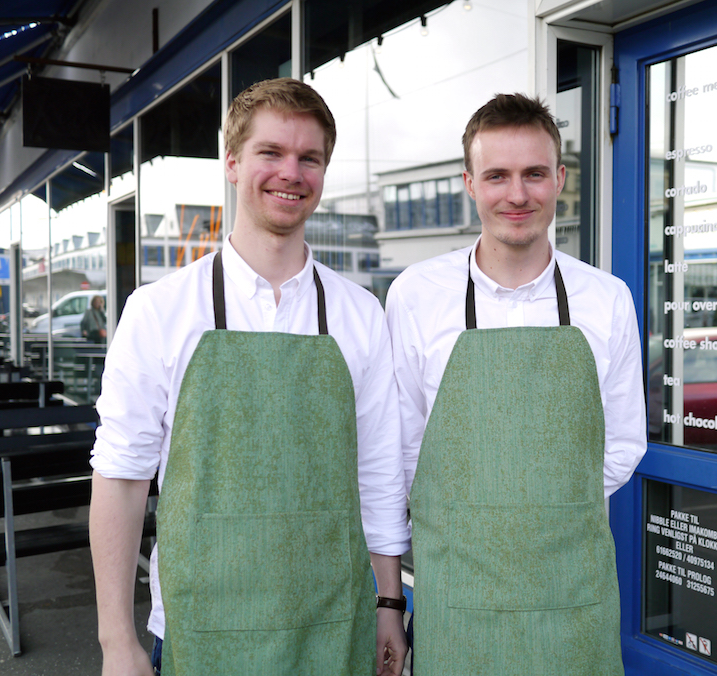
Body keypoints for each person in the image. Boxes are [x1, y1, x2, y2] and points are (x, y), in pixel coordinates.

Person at [89, 78, 410, 676]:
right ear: (233, 162)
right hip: (199, 627)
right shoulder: (160, 310)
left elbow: (378, 473)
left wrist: (389, 603)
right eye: (271, 153)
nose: (291, 172)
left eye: (309, 158)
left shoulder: (360, 314)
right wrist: (116, 640)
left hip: (333, 627)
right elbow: (121, 478)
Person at [386, 93, 647, 675]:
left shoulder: (607, 299)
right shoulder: (416, 295)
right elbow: (401, 449)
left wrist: (543, 511)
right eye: (497, 175)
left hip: (570, 591)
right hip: (457, 593)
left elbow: (624, 444)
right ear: (470, 184)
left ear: (560, 179)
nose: (518, 194)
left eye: (534, 173)